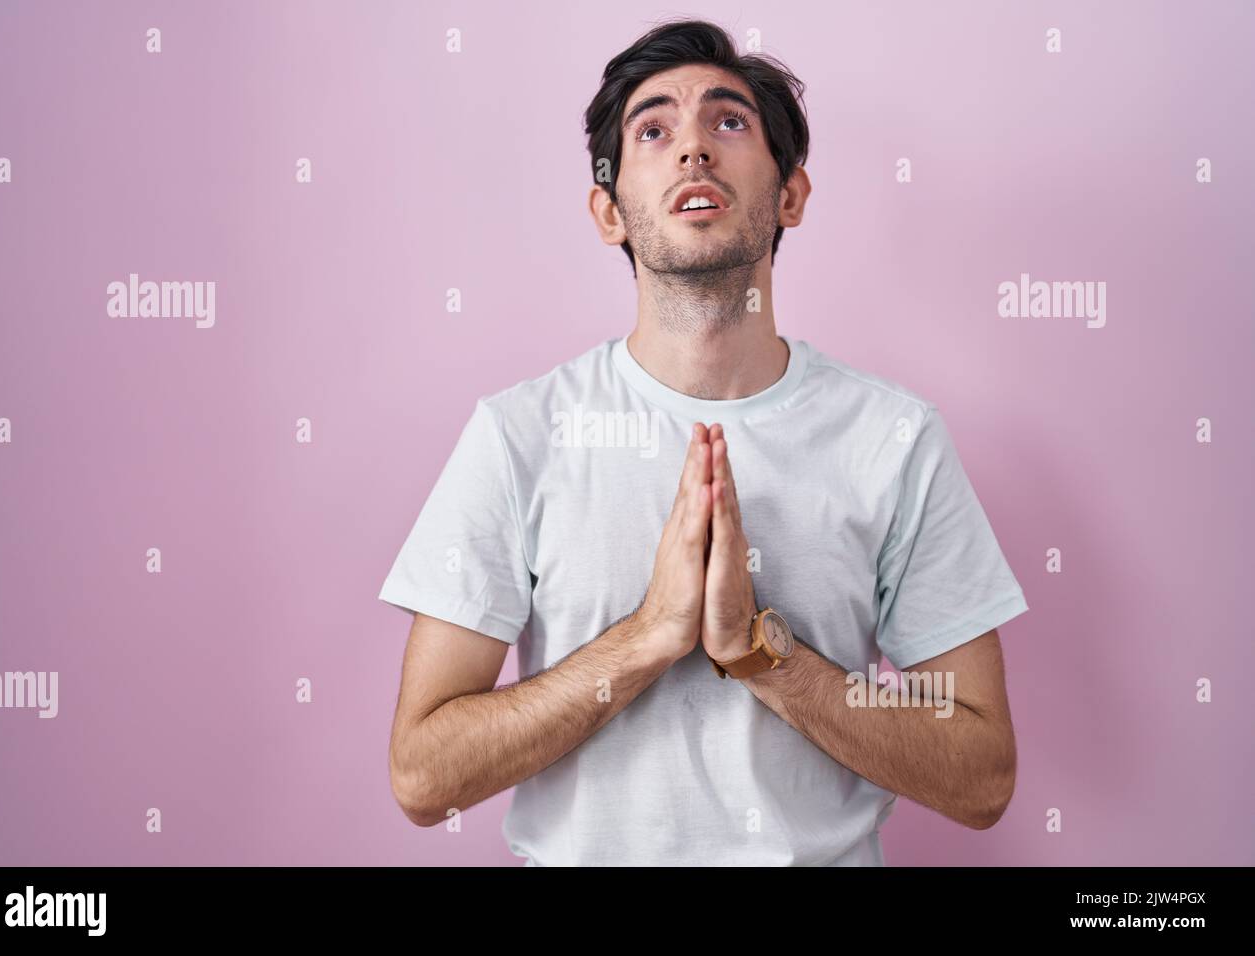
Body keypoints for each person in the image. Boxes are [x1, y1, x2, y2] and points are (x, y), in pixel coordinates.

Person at [377, 18, 1028, 866]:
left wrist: (766, 659)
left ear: (790, 194)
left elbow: (982, 778)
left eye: (728, 122)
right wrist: (648, 637)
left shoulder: (895, 440)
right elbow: (423, 776)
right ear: (609, 212)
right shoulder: (517, 436)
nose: (692, 148)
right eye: (653, 130)